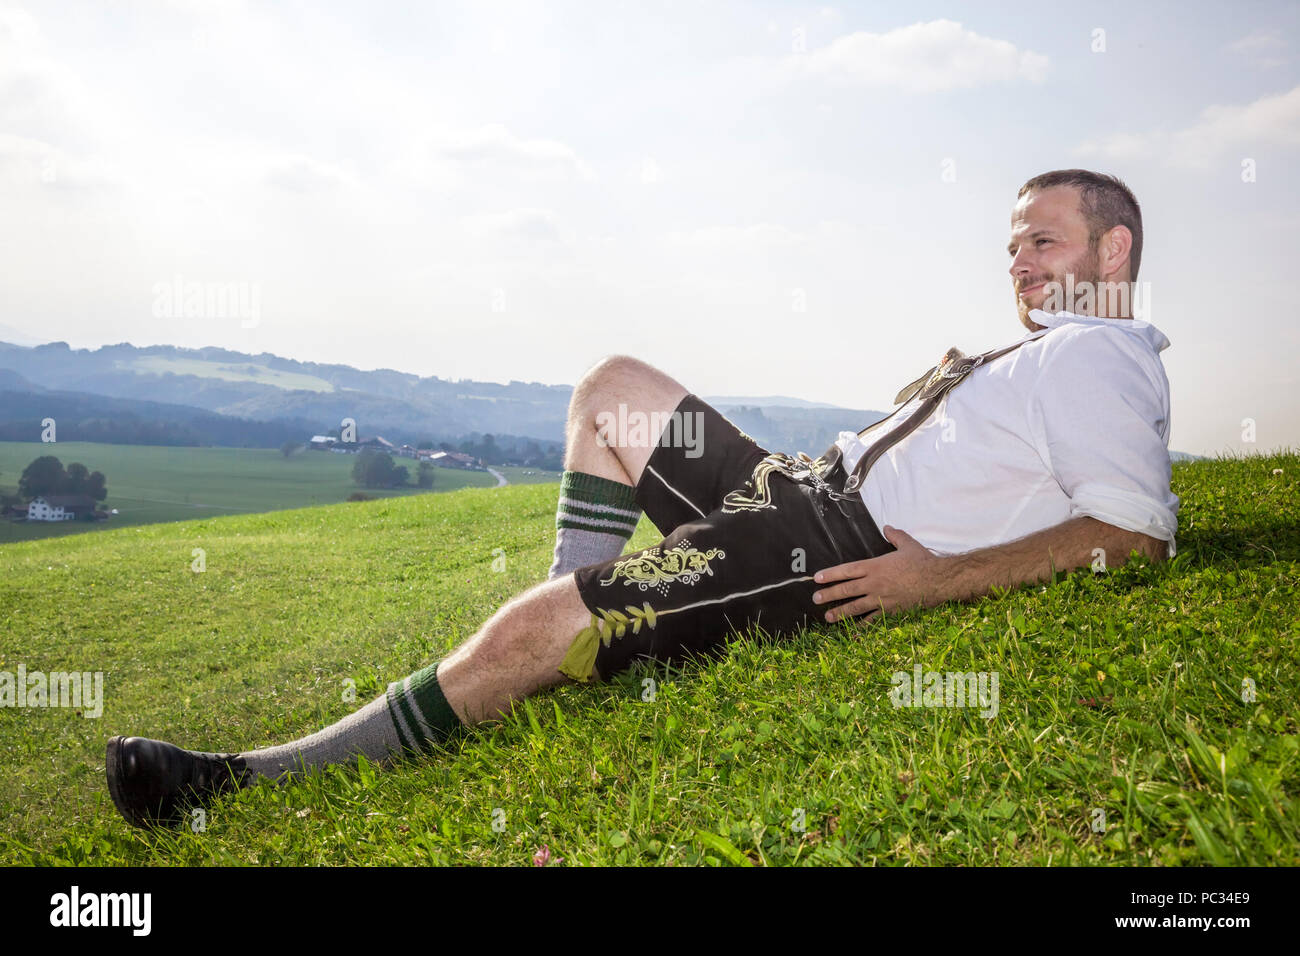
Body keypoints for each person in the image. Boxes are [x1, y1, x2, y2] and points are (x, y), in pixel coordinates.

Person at [106, 168, 1178, 829]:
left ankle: (251, 778)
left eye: (1041, 241)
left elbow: (1130, 534)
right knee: (614, 391)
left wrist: (934, 577)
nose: (1019, 264)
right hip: (802, 485)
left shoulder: (1100, 360)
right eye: (1012, 246)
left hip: (824, 546)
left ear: (1112, 247)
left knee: (539, 626)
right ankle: (557, 633)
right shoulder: (1057, 351)